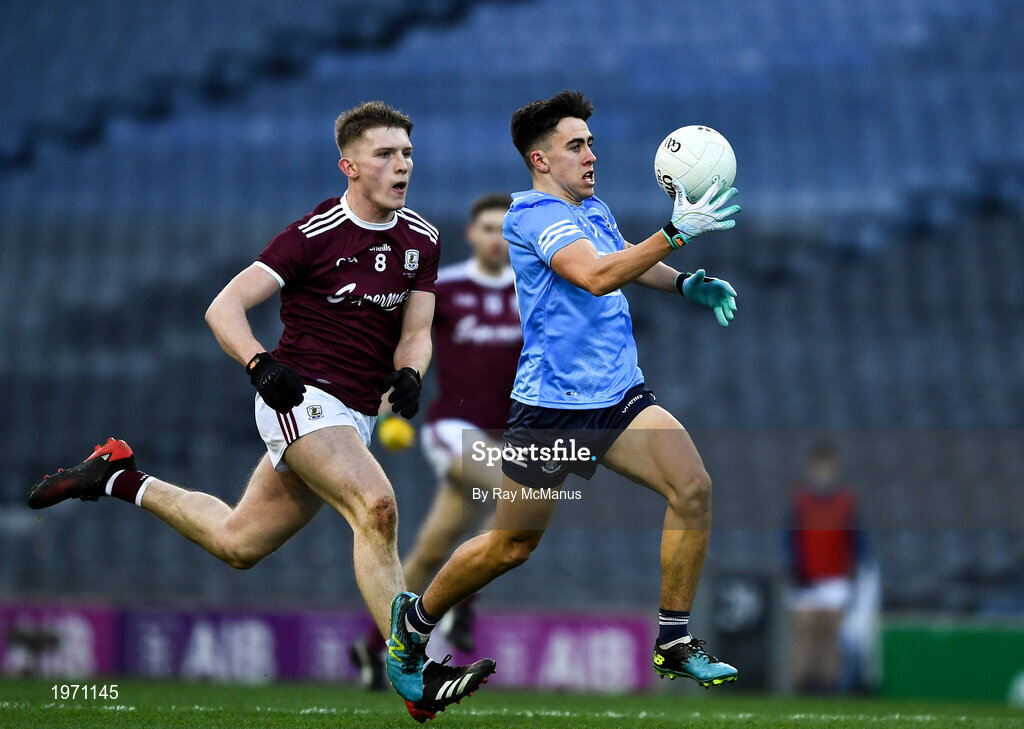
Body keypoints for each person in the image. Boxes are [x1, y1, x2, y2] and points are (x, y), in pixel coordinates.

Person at [27, 101, 494, 723]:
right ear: (349, 166)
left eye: (407, 152)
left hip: (355, 416)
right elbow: (223, 308)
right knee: (376, 508)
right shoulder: (310, 237)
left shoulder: (422, 239)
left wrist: (411, 372)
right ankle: (409, 667)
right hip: (299, 399)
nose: (401, 164)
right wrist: (259, 365)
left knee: (238, 543)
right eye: (384, 154)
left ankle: (116, 476)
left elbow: (417, 330)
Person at [384, 90, 742, 699]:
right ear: (540, 159)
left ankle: (674, 640)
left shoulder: (591, 208)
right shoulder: (532, 216)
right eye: (576, 145)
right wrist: (675, 233)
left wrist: (684, 284)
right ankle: (413, 622)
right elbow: (596, 275)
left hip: (619, 396)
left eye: (591, 143)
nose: (590, 155)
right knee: (511, 546)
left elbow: (620, 258)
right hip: (552, 410)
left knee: (693, 487)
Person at [350, 192, 520, 690]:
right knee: (518, 491)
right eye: (487, 227)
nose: (495, 237)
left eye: (503, 228)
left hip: (510, 433)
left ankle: (374, 642)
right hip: (454, 429)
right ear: (471, 235)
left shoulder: (533, 288)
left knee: (431, 549)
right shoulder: (447, 288)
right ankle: (462, 607)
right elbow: (400, 348)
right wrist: (380, 417)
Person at [784, 442, 875, 694]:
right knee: (805, 634)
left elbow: (857, 541)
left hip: (836, 579)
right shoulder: (800, 500)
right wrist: (794, 569)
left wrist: (855, 572)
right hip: (806, 579)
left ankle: (827, 685)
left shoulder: (847, 502)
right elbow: (789, 539)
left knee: (830, 637)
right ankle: (801, 684)